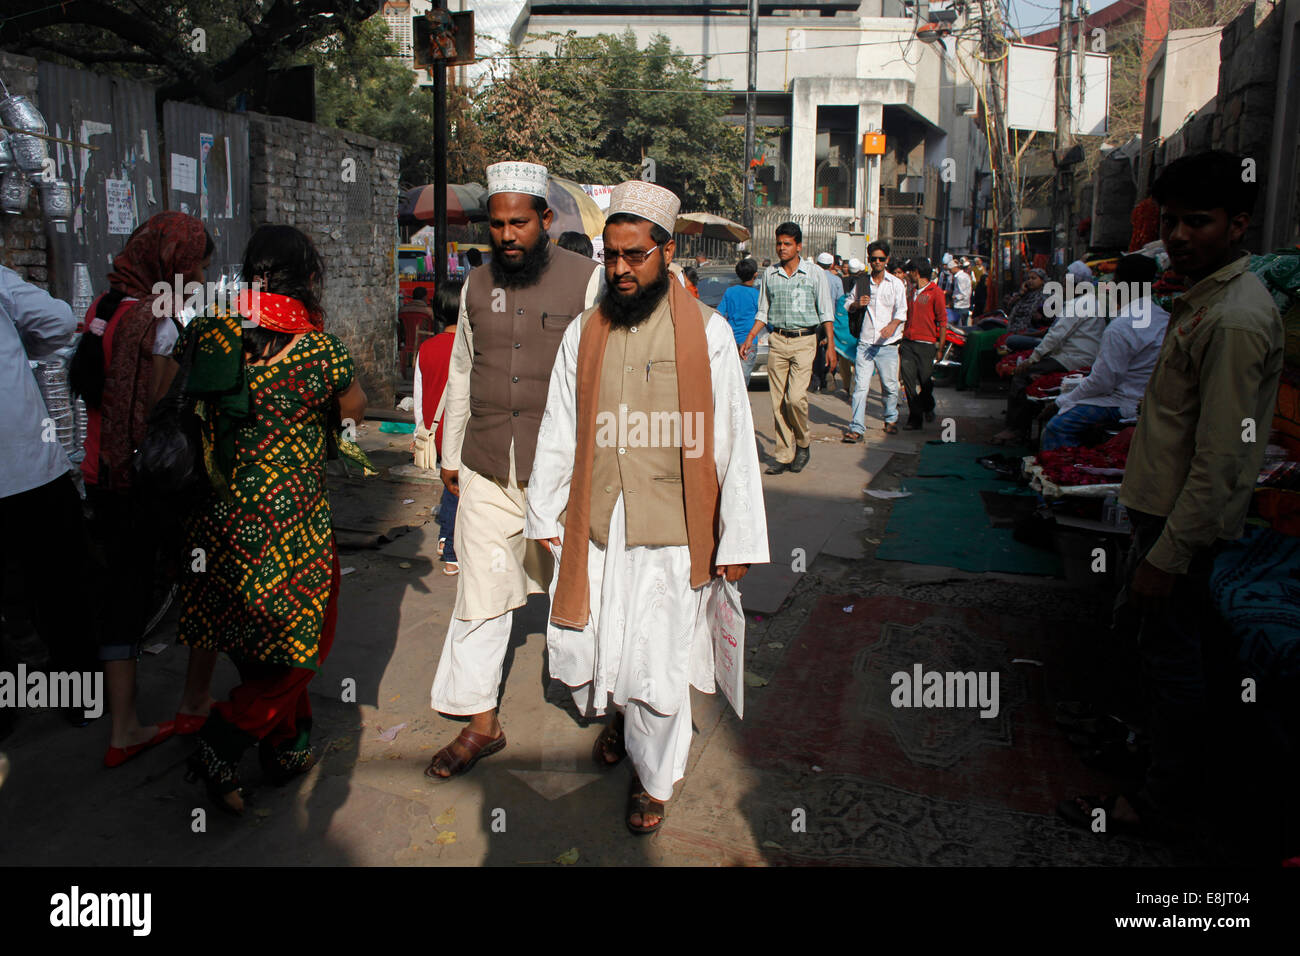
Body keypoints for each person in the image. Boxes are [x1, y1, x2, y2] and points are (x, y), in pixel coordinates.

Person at [524, 180, 769, 834]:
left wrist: (737, 536)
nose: (622, 269)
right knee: (602, 640)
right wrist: (546, 516)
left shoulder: (709, 334)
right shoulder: (585, 332)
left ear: (667, 252)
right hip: (600, 524)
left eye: (635, 256)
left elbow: (732, 440)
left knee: (658, 659)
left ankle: (653, 778)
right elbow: (559, 427)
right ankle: (622, 723)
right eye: (612, 256)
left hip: (673, 531)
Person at [1060, 150, 1285, 840]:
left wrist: (1169, 553)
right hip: (1158, 515)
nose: (1182, 236)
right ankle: (1154, 764)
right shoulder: (1201, 302)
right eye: (1174, 222)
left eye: (1201, 222)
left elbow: (1221, 458)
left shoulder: (1234, 319)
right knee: (1159, 654)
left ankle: (1158, 804)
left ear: (1239, 224)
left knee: (1175, 664)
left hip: (1180, 530)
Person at [176, 224, 367, 814]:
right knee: (303, 639)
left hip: (218, 521)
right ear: (310, 278)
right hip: (291, 526)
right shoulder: (320, 351)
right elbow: (355, 409)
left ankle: (285, 749)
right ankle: (224, 738)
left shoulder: (211, 335)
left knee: (255, 640)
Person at [427, 160, 602, 779]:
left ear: (545, 220)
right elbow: (463, 371)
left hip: (561, 478)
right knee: (480, 594)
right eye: (498, 224)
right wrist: (450, 454)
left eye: (519, 223)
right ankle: (481, 723)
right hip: (484, 465)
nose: (507, 235)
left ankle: (607, 709)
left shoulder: (588, 282)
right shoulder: (475, 285)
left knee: (581, 592)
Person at [72, 212, 219, 766]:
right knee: (202, 577)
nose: (202, 278)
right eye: (197, 266)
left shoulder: (103, 308)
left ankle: (124, 725)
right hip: (147, 481)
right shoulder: (157, 322)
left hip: (99, 473)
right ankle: (194, 699)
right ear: (173, 265)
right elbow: (159, 410)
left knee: (123, 594)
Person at [0, 266, 100, 739]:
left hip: (25, 465)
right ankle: (78, 696)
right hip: (26, 469)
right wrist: (25, 351)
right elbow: (59, 323)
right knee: (62, 582)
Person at [1040, 255, 1168, 451]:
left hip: (1126, 402)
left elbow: (1103, 381)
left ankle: (1070, 472)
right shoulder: (1163, 317)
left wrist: (1061, 402)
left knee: (1058, 427)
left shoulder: (1121, 326)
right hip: (1150, 398)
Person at [750, 222, 834, 473]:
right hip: (778, 340)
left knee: (795, 398)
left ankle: (803, 442)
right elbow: (763, 310)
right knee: (778, 402)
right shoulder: (770, 274)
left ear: (798, 246)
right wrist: (750, 337)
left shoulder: (814, 273)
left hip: (805, 341)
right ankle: (784, 455)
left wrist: (830, 346)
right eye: (779, 243)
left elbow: (826, 311)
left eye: (787, 244)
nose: (782, 248)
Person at [992, 262, 1105, 445]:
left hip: (1073, 358)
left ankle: (1016, 428)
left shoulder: (1080, 304)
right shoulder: (1089, 301)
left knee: (1022, 375)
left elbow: (1056, 335)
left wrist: (1032, 360)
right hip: (1074, 354)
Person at [412, 281, 464, 574]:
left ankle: (445, 536)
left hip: (437, 433)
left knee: (451, 484)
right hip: (463, 432)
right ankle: (452, 551)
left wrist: (420, 430)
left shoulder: (426, 348)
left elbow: (419, 397)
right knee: (460, 489)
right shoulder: (470, 348)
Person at [843, 240, 908, 440]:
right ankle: (856, 428)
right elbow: (847, 304)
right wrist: (856, 304)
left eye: (881, 259)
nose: (877, 262)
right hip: (865, 343)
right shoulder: (862, 283)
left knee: (889, 386)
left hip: (887, 344)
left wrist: (892, 325)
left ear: (886, 260)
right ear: (869, 261)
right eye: (873, 259)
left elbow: (902, 310)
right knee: (861, 387)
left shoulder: (895, 284)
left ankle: (890, 418)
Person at [899, 257, 947, 431]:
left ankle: (928, 405)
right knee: (908, 380)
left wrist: (940, 348)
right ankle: (915, 417)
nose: (907, 274)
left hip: (926, 344)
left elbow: (942, 321)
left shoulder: (936, 292)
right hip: (908, 342)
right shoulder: (911, 291)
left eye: (909, 271)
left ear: (916, 272)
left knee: (925, 382)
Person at [719, 257, 763, 386]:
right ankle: (741, 405)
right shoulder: (757, 295)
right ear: (755, 274)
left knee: (729, 378)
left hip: (731, 340)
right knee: (743, 380)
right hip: (749, 342)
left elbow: (719, 313)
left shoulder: (730, 292)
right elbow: (764, 316)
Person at [946, 258, 972, 326]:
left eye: (950, 269)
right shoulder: (964, 275)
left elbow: (963, 294)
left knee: (959, 327)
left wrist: (954, 297)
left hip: (960, 306)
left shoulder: (960, 277)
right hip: (962, 305)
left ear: (955, 268)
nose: (950, 271)